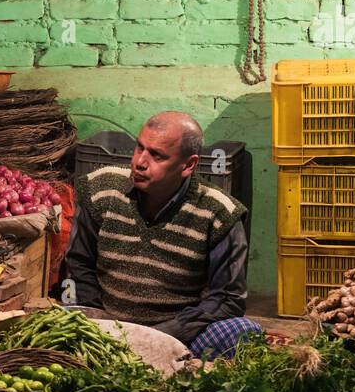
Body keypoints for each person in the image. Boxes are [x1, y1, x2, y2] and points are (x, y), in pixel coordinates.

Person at [64, 111, 262, 359]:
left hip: (179, 335)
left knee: (243, 332)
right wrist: (100, 327)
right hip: (109, 327)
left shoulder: (218, 213)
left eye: (156, 155)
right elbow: (78, 263)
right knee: (61, 314)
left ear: (188, 165)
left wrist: (160, 336)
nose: (140, 162)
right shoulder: (100, 189)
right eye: (139, 147)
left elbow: (227, 298)